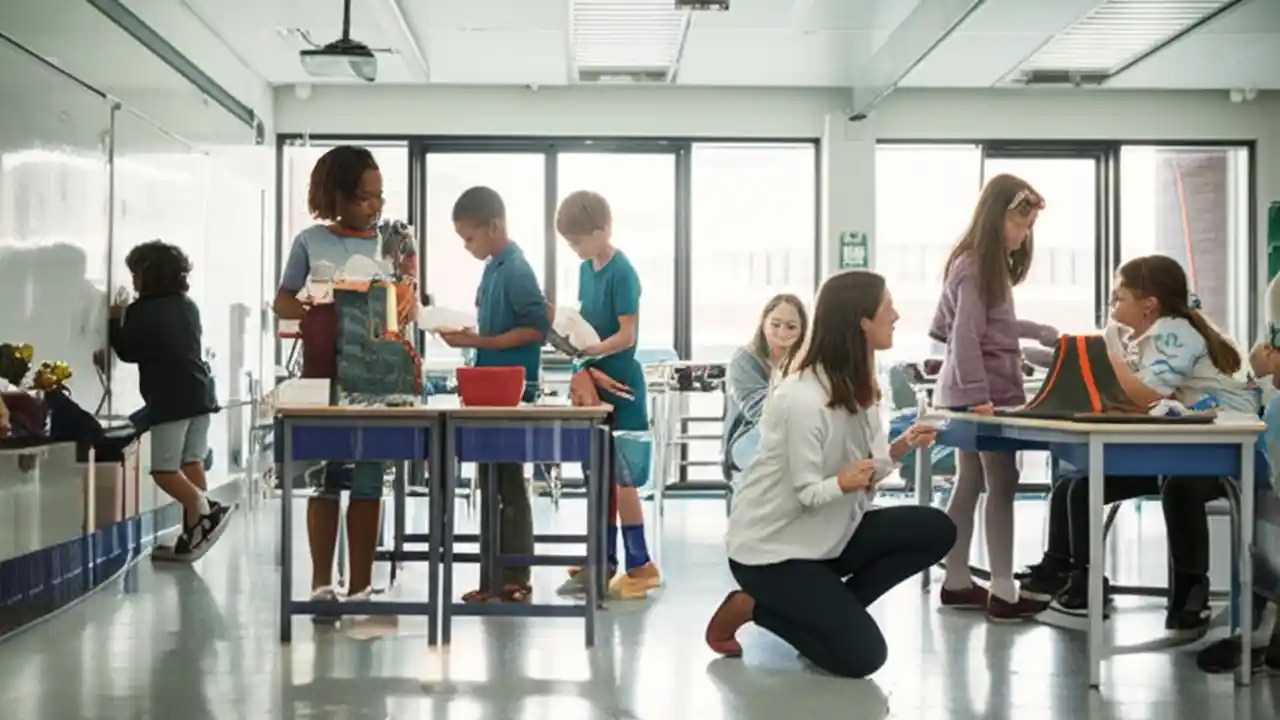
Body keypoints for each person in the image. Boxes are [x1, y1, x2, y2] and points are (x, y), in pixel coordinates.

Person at [704, 270, 955, 678]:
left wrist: (903, 444)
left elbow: (868, 470)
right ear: (861, 321)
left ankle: (824, 616)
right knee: (863, 658)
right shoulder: (802, 397)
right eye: (887, 307)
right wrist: (843, 481)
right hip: (772, 551)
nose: (896, 315)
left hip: (827, 535)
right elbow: (808, 492)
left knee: (936, 529)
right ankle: (756, 607)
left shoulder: (863, 388)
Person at [1019, 255, 1258, 632]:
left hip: (1226, 449)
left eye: (1119, 298)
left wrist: (1106, 357)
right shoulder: (1151, 337)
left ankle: (1190, 594)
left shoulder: (1175, 332)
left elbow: (1146, 395)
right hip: (1184, 446)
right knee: (1078, 484)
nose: (1113, 307)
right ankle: (1080, 581)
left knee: (1179, 486)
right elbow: (1138, 400)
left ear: (1149, 304)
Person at [274, 145, 417, 610]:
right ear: (335, 196)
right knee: (327, 475)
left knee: (370, 475)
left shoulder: (393, 242)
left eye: (380, 196)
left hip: (377, 373)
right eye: (363, 197)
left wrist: (404, 299)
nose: (375, 206)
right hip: (324, 372)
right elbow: (283, 302)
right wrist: (323, 305)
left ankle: (361, 584)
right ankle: (321, 584)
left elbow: (408, 301)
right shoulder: (310, 241)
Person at [929, 174, 1059, 619]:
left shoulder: (976, 265)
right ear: (998, 217)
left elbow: (985, 327)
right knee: (1003, 483)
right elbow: (966, 337)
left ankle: (957, 579)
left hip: (970, 391)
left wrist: (1034, 330)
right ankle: (1003, 590)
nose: (1024, 238)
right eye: (1021, 226)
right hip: (982, 394)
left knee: (971, 484)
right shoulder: (976, 267)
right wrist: (981, 397)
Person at [440, 186, 550, 604]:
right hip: (489, 391)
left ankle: (515, 578)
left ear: (494, 226)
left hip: (511, 393)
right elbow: (495, 327)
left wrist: (484, 342)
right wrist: (472, 337)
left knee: (510, 488)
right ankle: (491, 579)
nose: (467, 247)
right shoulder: (493, 268)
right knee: (490, 485)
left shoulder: (517, 269)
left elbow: (535, 328)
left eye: (470, 238)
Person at [553, 190, 660, 599]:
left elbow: (626, 334)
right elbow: (586, 323)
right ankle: (603, 559)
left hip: (622, 386)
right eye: (569, 243)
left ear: (602, 231)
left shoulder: (623, 272)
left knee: (623, 479)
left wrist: (589, 352)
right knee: (597, 478)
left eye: (579, 241)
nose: (575, 250)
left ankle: (641, 564)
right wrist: (580, 359)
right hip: (593, 385)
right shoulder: (587, 269)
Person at [108, 240, 231, 562]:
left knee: (164, 471)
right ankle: (194, 536)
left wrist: (115, 318)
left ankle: (206, 510)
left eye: (136, 273)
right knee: (191, 463)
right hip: (201, 394)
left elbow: (127, 351)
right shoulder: (187, 305)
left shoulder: (142, 310)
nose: (133, 280)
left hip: (171, 398)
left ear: (148, 275)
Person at [722, 294, 808, 478]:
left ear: (802, 330)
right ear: (763, 324)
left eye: (791, 327)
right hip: (751, 435)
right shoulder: (745, 359)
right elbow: (758, 412)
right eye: (775, 325)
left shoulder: (809, 361)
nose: (782, 332)